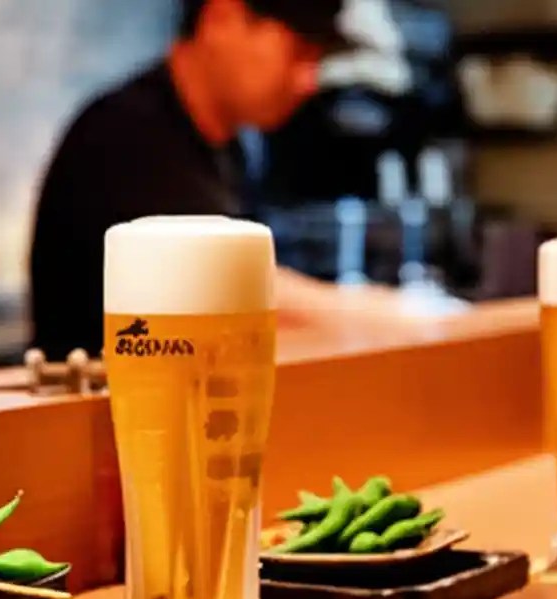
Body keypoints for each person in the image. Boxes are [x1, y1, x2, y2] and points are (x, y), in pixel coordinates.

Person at [28, 0, 349, 359]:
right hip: (114, 392)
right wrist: (377, 314)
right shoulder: (127, 135)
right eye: (298, 52)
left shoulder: (232, 148)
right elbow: (226, 292)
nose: (309, 81)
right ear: (221, 18)